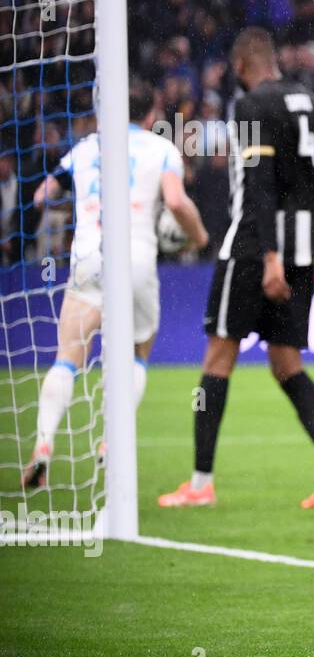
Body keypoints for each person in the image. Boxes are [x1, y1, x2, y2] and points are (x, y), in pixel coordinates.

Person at [159, 27, 314, 509]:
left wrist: (269, 257)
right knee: (286, 362)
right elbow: (312, 181)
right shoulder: (309, 101)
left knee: (218, 357)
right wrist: (301, 250)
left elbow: (259, 186)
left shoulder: (250, 107)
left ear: (241, 65)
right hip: (304, 247)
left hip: (256, 247)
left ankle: (200, 483)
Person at [24, 80, 208, 487]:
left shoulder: (88, 147)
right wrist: (198, 237)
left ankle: (42, 445)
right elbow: (176, 202)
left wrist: (82, 200)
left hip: (90, 255)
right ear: (150, 114)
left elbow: (41, 196)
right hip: (138, 259)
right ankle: (112, 441)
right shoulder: (161, 149)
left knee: (67, 357)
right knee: (137, 352)